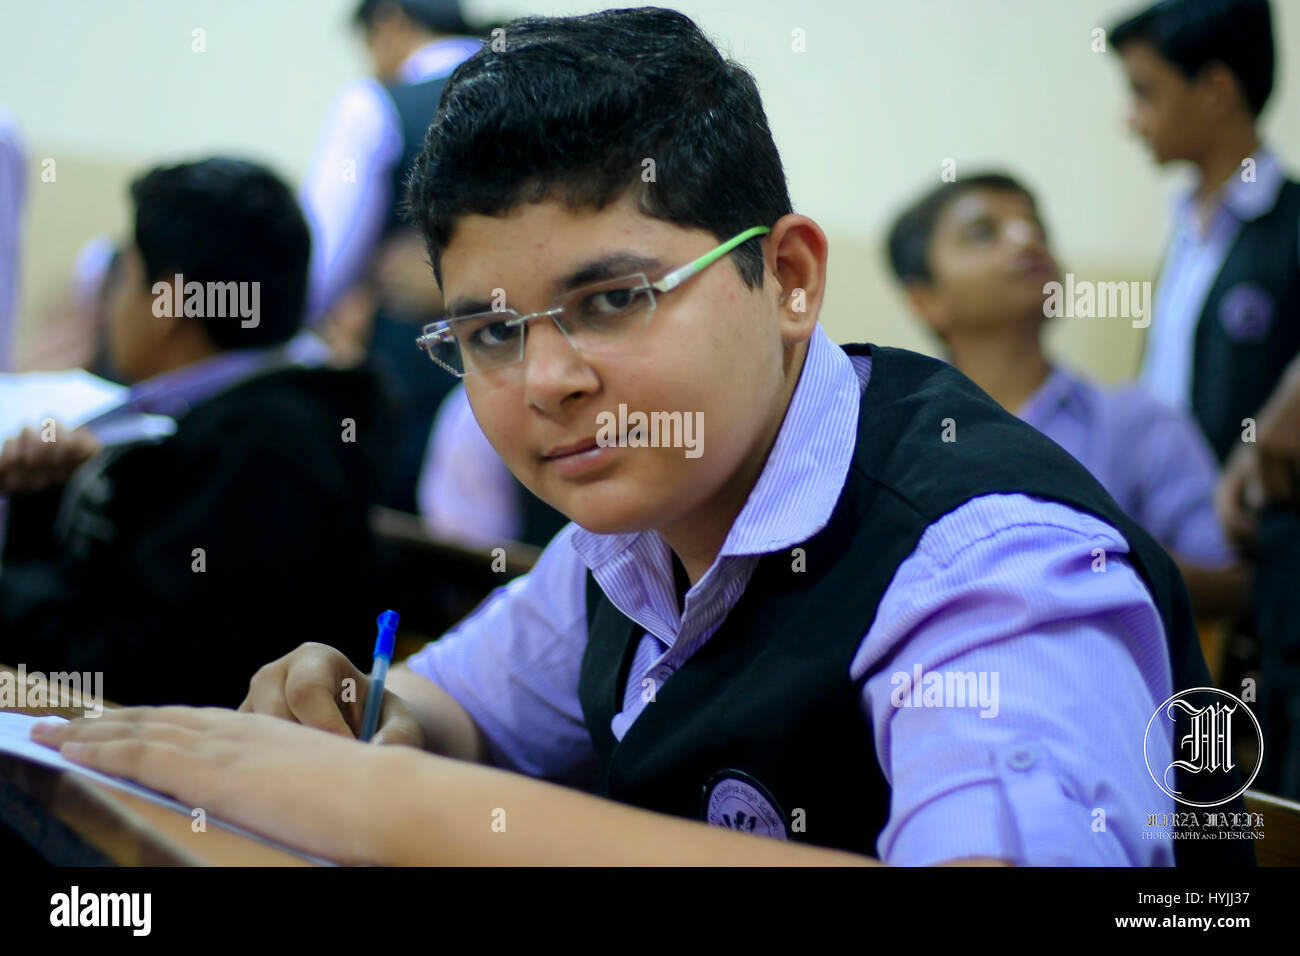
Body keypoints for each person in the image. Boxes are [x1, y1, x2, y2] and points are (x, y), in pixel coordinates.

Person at [33, 9, 1251, 866]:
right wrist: (365, 713)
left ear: (785, 277)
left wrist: (387, 806)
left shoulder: (990, 564)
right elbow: (455, 706)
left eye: (613, 299)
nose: (547, 379)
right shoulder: (643, 525)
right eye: (491, 331)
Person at [0, 158, 396, 706]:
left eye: (127, 275)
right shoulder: (241, 411)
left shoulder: (265, 447)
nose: (113, 303)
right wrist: (47, 486)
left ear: (169, 303)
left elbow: (141, 669)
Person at [885, 172, 1247, 620]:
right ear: (926, 299)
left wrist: (1101, 559)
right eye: (984, 233)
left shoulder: (1137, 422)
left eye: (1036, 227)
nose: (1025, 241)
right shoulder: (890, 440)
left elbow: (1237, 585)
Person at [1111, 0, 1300, 796]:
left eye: (1146, 92)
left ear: (1216, 89)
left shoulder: (1291, 230)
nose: (1131, 119)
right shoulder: (1186, 224)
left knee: (1240, 796)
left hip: (1256, 582)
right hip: (1170, 552)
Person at [299, 0, 486, 512]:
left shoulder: (378, 104)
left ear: (388, 20)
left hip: (416, 381)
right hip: (524, 375)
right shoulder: (533, 86)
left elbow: (315, 276)